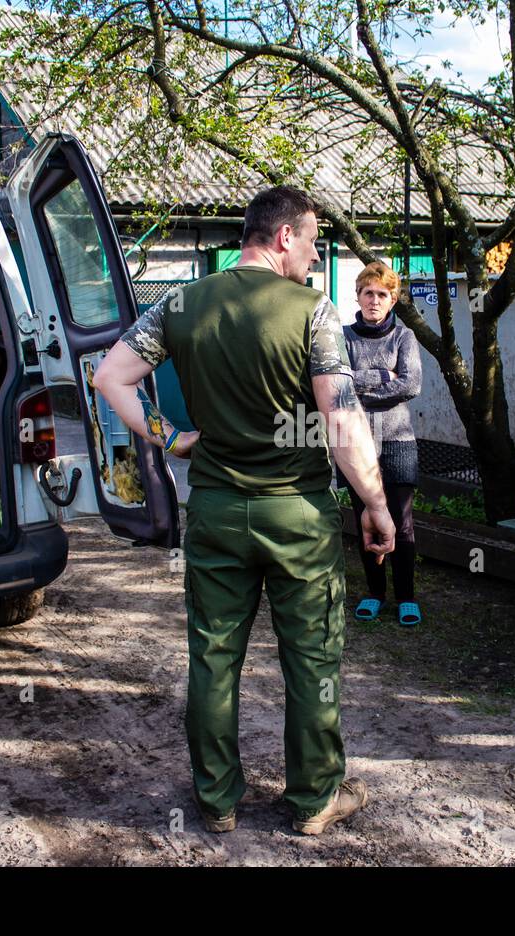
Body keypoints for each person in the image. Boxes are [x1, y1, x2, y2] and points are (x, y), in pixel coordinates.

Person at [93, 186, 396, 835]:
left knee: (214, 656)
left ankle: (218, 801)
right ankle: (314, 801)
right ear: (283, 236)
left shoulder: (179, 303)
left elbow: (109, 377)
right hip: (299, 518)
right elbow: (341, 423)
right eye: (313, 243)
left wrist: (171, 438)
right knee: (311, 659)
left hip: (219, 510)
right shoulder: (313, 313)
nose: (315, 259)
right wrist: (375, 502)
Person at [338, 262, 424, 626]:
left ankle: (406, 596)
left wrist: (361, 394)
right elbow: (336, 382)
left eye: (382, 294)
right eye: (368, 293)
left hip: (398, 441)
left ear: (393, 300)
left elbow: (411, 385)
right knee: (365, 520)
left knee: (401, 521)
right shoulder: (343, 337)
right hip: (355, 443)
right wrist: (382, 376)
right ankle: (375, 593)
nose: (374, 300)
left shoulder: (404, 337)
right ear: (358, 296)